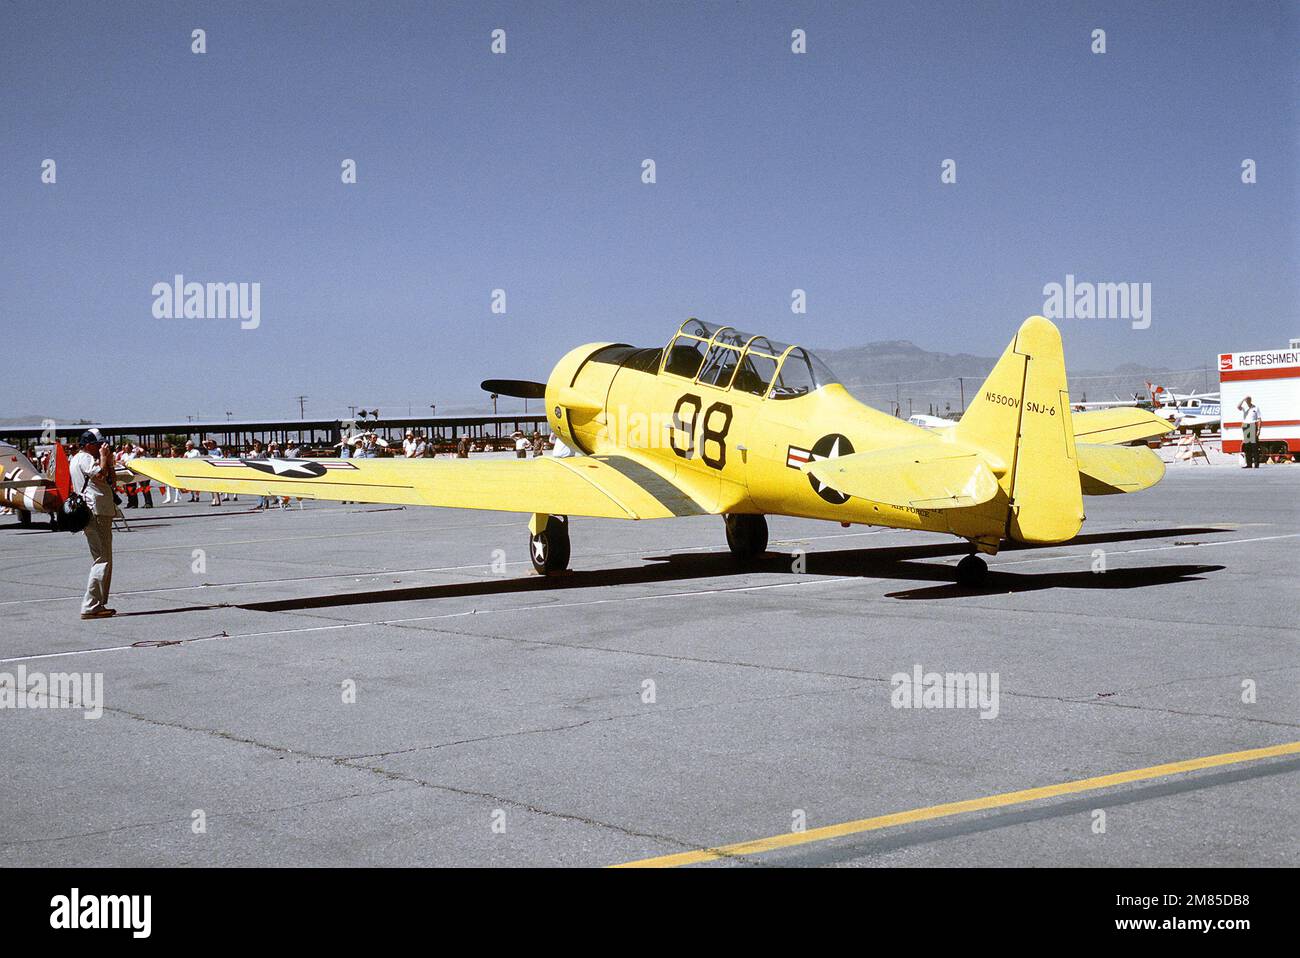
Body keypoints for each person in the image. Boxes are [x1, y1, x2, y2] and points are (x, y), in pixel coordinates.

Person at [70, 429, 118, 619]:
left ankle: (98, 602)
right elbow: (100, 475)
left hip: (94, 512)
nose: (101, 448)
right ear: (88, 445)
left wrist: (108, 461)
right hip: (96, 512)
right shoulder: (85, 458)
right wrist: (103, 457)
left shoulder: (77, 459)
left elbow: (110, 479)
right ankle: (91, 605)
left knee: (103, 557)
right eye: (98, 445)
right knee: (102, 559)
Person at [1239, 396, 1262, 469]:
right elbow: (1238, 406)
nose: (1247, 401)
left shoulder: (1255, 407)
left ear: (1250, 400)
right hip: (1246, 425)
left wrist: (1258, 429)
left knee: (1254, 446)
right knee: (1247, 446)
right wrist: (1242, 399)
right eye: (1246, 400)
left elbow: (1259, 419)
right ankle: (1249, 464)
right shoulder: (1244, 408)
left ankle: (1256, 463)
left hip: (1252, 425)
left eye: (1248, 400)